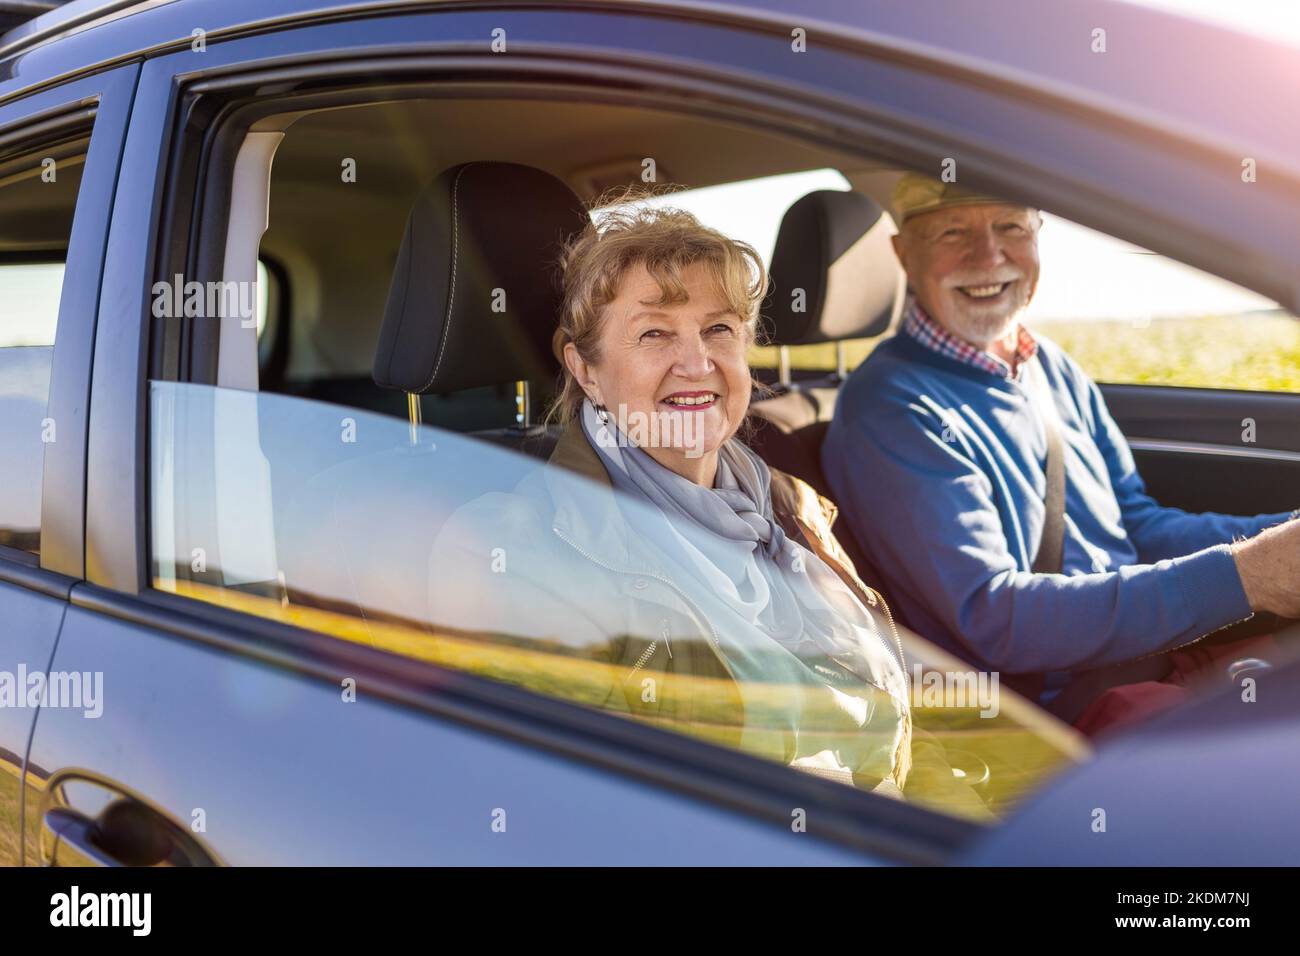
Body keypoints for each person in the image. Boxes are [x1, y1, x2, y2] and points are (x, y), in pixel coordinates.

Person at [428, 202, 986, 812]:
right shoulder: (511, 548)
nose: (697, 364)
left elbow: (892, 736)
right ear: (586, 369)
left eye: (719, 329)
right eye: (654, 333)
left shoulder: (791, 507)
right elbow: (564, 817)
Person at [822, 172, 1300, 734]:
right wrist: (1245, 577)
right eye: (953, 232)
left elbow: (1137, 525)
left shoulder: (1048, 365)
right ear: (904, 253)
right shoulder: (891, 407)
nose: (989, 254)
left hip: (1155, 662)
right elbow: (996, 617)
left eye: (1010, 226)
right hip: (1052, 717)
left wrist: (1279, 539)